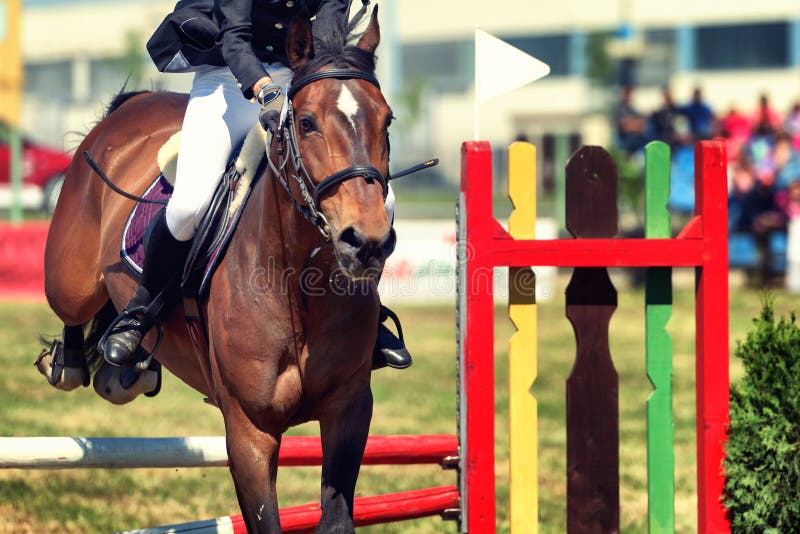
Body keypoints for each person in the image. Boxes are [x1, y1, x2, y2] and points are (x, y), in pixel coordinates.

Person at [99, 0, 412, 370]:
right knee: (190, 205)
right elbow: (235, 40)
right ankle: (141, 310)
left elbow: (326, 40)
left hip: (302, 79)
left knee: (381, 202)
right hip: (230, 81)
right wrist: (263, 88)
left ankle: (367, 315)